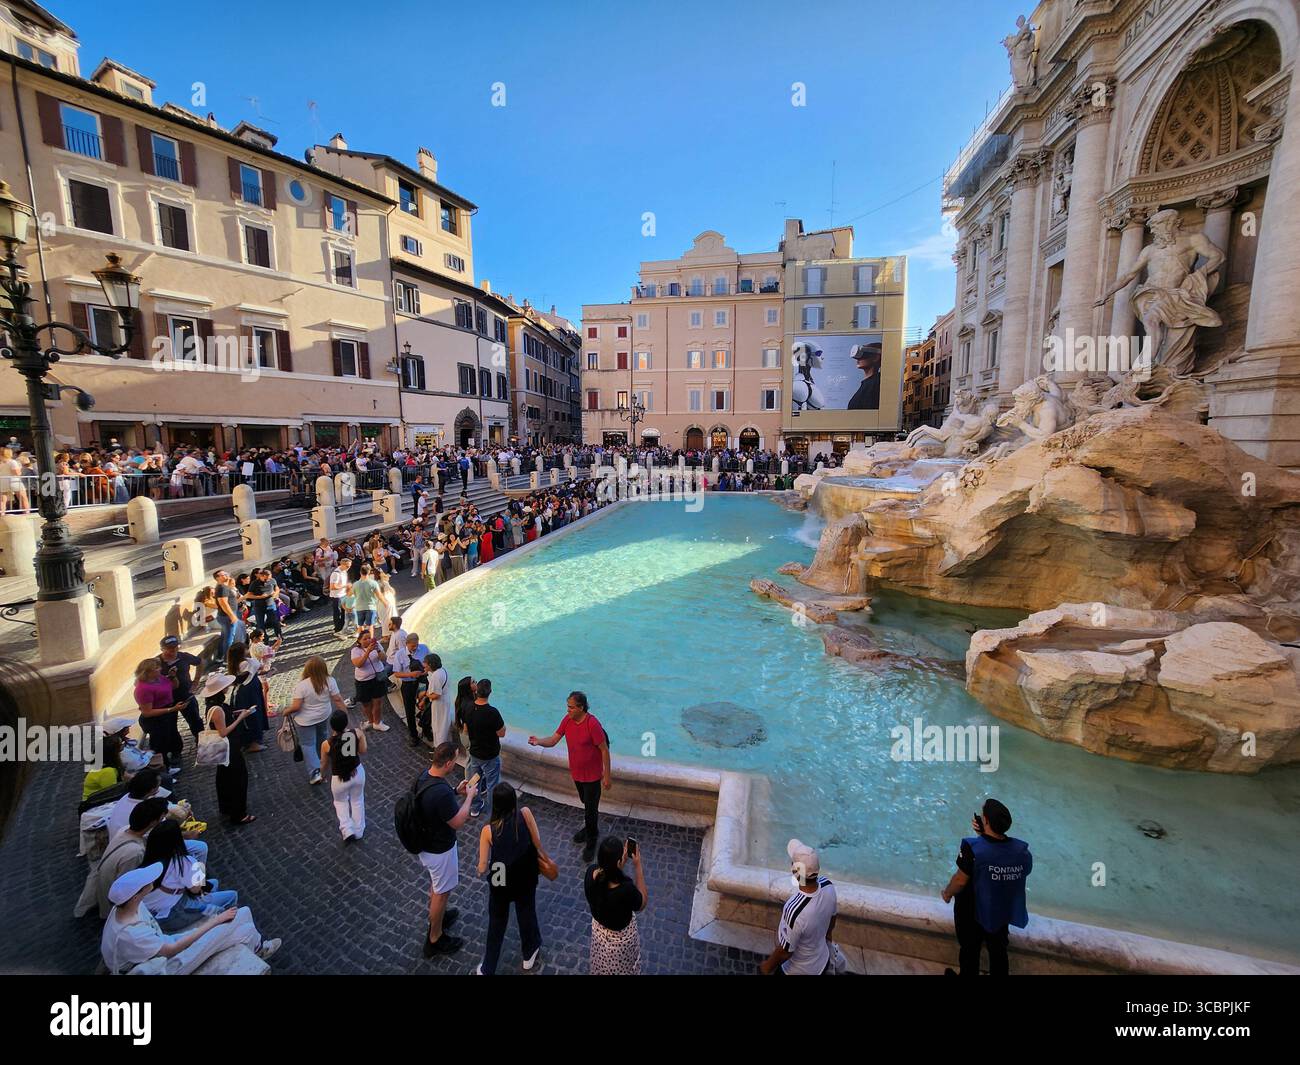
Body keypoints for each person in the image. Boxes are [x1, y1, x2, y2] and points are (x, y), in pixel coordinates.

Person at [100, 863, 280, 975]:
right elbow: (172, 949)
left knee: (246, 929)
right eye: (146, 883)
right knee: (243, 913)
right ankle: (258, 947)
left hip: (161, 951)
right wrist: (214, 922)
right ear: (134, 896)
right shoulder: (131, 933)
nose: (151, 882)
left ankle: (257, 947)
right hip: (167, 967)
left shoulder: (128, 907)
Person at [941, 798, 1032, 977]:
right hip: (1000, 909)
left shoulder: (971, 848)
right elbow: (1015, 865)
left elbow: (960, 880)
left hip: (971, 911)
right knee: (998, 951)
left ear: (987, 821)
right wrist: (985, 834)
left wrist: (947, 893)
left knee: (970, 950)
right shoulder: (1021, 851)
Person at [528, 691, 610, 862]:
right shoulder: (567, 721)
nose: (568, 710)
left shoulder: (592, 724)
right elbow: (553, 739)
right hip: (577, 773)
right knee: (585, 802)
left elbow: (604, 750)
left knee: (590, 808)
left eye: (571, 707)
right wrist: (538, 741)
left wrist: (607, 775)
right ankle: (589, 828)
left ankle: (592, 838)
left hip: (593, 776)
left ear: (581, 707)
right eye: (567, 707)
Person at [475, 783, 548, 975]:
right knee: (526, 912)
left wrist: (480, 869)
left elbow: (483, 866)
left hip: (500, 879)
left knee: (496, 922)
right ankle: (529, 953)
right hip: (525, 874)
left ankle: (488, 967)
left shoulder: (488, 830)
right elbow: (537, 840)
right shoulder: (525, 814)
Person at [413, 743, 477, 957]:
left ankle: (438, 918)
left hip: (426, 844)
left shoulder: (425, 776)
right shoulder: (440, 792)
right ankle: (435, 938)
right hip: (439, 849)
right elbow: (458, 821)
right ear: (449, 763)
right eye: (455, 760)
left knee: (436, 885)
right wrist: (469, 797)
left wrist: (455, 791)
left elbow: (435, 802)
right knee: (441, 892)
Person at [76, 796, 168, 919]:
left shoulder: (124, 830)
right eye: (161, 819)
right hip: (115, 908)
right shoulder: (134, 853)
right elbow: (128, 888)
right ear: (153, 822)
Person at [140, 820, 239, 934]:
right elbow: (197, 889)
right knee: (231, 896)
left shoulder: (147, 862)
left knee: (214, 883)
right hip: (174, 914)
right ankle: (230, 928)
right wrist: (197, 865)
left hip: (154, 911)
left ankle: (211, 908)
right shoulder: (183, 862)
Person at [760, 839, 838, 975]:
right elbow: (832, 920)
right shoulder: (828, 886)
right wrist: (827, 940)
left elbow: (785, 952)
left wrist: (765, 968)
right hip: (822, 961)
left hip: (797, 970)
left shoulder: (794, 910)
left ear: (795, 871)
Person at [584, 835, 646, 975]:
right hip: (621, 944)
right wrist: (638, 865)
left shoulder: (590, 873)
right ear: (618, 861)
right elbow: (641, 903)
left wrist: (617, 865)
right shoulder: (625, 890)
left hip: (599, 935)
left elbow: (605, 875)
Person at [202, 672, 257, 826]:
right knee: (237, 780)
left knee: (225, 778)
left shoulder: (213, 706)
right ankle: (239, 814)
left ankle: (227, 807)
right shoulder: (217, 709)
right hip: (229, 748)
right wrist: (241, 718)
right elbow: (223, 732)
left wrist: (234, 714)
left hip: (226, 749)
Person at [286, 656, 347, 785]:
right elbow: (338, 699)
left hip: (305, 720)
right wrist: (345, 715)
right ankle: (324, 759)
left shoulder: (302, 686)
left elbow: (296, 706)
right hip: (323, 715)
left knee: (308, 744)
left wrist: (286, 711)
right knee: (322, 737)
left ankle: (315, 772)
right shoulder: (330, 681)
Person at [133, 659, 186, 774]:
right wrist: (171, 709)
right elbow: (147, 712)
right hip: (156, 719)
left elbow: (174, 686)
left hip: (169, 712)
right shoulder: (143, 689)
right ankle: (163, 772)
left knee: (171, 735)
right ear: (147, 672)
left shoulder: (160, 678)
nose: (160, 669)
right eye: (156, 668)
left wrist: (172, 676)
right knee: (159, 745)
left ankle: (170, 761)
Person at [321, 709, 366, 842]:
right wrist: (362, 736)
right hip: (357, 773)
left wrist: (322, 775)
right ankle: (358, 831)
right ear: (346, 723)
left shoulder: (326, 744)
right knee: (357, 801)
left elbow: (324, 764)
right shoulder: (356, 733)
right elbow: (363, 751)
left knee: (340, 803)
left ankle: (347, 829)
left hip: (339, 779)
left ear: (332, 726)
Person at [463, 679, 505, 818]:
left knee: (474, 781)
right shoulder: (492, 712)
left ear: (477, 691)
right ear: (490, 692)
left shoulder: (468, 708)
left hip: (475, 753)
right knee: (492, 784)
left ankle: (474, 807)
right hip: (490, 756)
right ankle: (493, 812)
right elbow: (501, 733)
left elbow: (466, 730)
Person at [156, 635, 204, 743]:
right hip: (167, 699)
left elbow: (200, 662)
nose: (173, 650)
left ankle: (201, 741)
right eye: (169, 648)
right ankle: (176, 750)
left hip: (186, 695)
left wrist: (196, 681)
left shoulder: (184, 656)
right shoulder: (157, 662)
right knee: (171, 726)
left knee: (195, 720)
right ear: (162, 649)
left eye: (175, 647)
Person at [390, 632, 432, 747]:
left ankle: (427, 730)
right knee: (409, 710)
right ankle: (413, 735)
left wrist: (426, 671)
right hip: (408, 684)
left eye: (416, 645)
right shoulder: (400, 654)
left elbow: (431, 663)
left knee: (426, 706)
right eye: (413, 646)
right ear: (406, 644)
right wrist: (411, 674)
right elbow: (396, 673)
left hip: (422, 681)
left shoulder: (424, 648)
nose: (415, 648)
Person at [350, 629, 389, 732]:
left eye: (369, 637)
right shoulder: (355, 651)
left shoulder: (377, 645)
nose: (368, 640)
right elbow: (359, 664)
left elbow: (384, 658)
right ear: (359, 641)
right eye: (365, 639)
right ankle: (370, 721)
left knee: (378, 702)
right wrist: (368, 651)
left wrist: (378, 650)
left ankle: (377, 722)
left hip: (377, 678)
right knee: (366, 703)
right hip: (363, 681)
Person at [351, 562, 381, 639]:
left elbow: (353, 594)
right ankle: (371, 640)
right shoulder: (373, 583)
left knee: (361, 626)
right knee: (370, 626)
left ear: (360, 572)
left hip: (359, 607)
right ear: (369, 572)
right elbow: (379, 595)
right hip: (370, 607)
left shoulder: (355, 584)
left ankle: (363, 640)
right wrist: (385, 603)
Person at [328, 557, 352, 637]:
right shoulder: (336, 574)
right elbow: (332, 587)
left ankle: (343, 628)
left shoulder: (344, 571)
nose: (349, 568)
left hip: (343, 595)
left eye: (349, 566)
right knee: (337, 613)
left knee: (344, 613)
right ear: (342, 564)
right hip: (336, 597)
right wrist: (345, 586)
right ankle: (337, 630)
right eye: (347, 566)